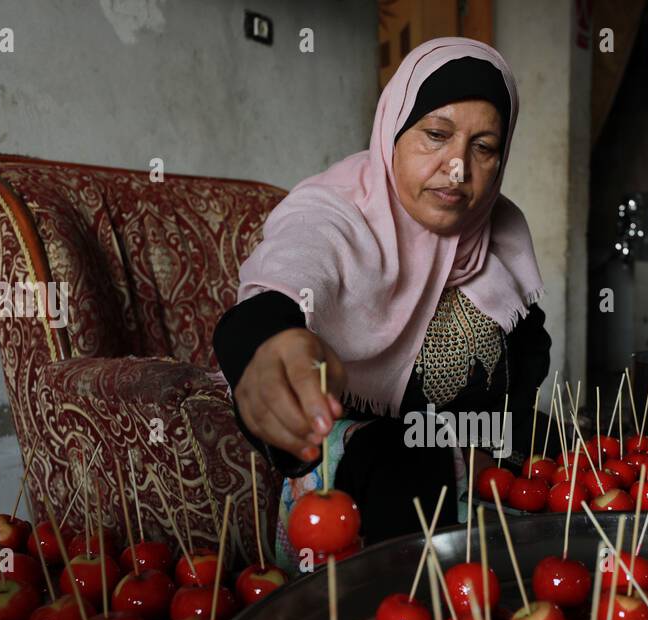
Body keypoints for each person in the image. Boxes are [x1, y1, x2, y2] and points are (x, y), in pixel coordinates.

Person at [213, 37, 551, 570]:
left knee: (567, 451)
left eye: (484, 147)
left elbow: (525, 369)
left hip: (473, 474)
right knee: (405, 458)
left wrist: (500, 451)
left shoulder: (499, 234)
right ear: (393, 128)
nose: (458, 169)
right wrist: (269, 340)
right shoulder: (335, 212)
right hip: (366, 491)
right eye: (435, 135)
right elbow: (283, 279)